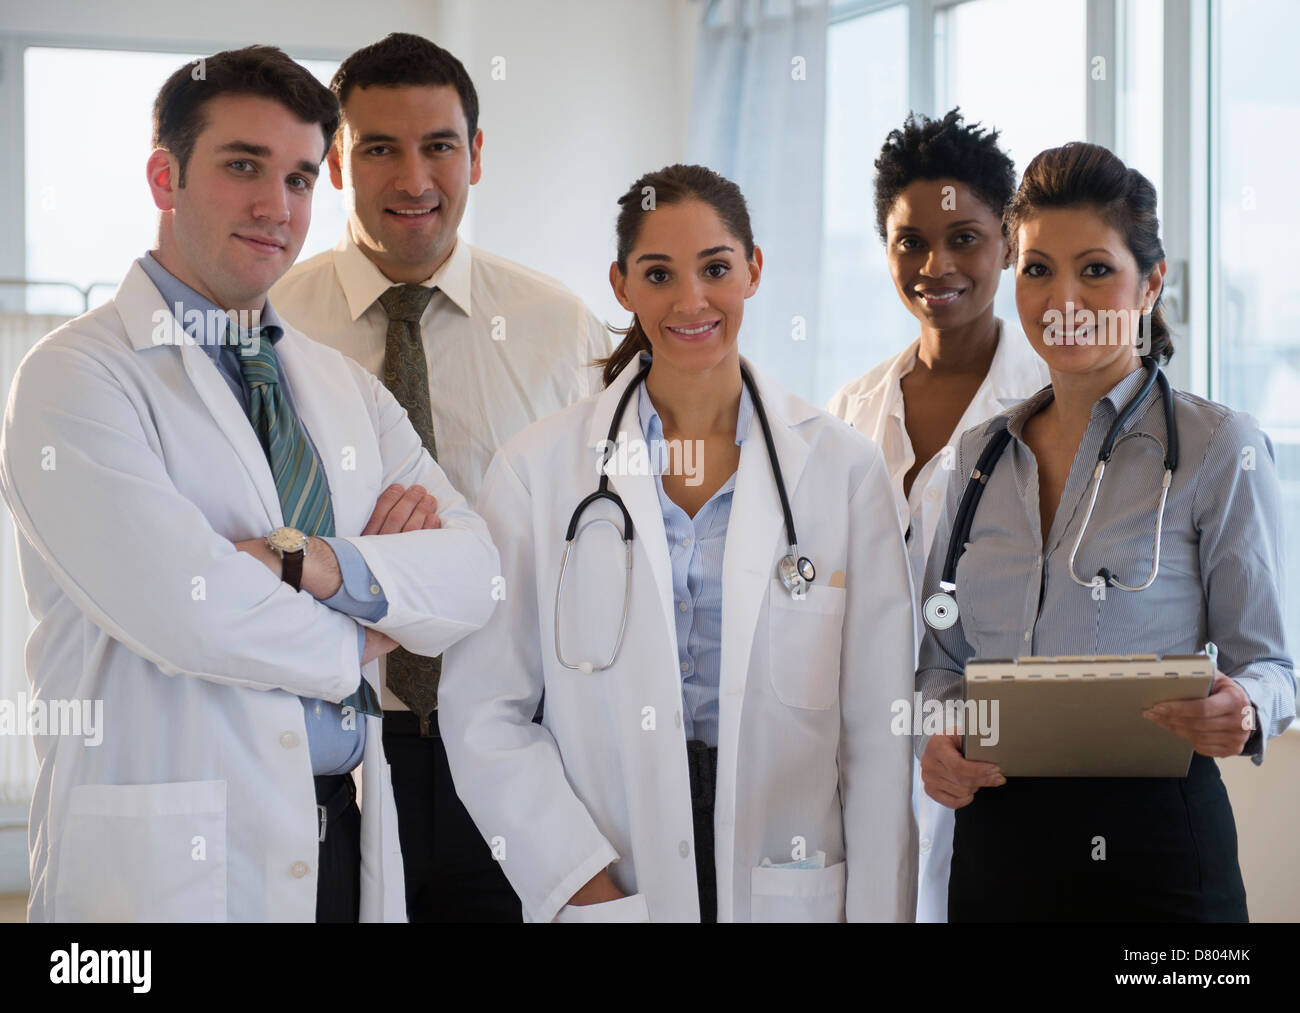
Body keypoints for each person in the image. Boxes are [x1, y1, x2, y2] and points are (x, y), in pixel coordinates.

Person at [0, 46, 499, 922]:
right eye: (243, 167)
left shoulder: (339, 385)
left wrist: (305, 564)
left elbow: (473, 573)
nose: (278, 207)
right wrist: (374, 625)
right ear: (165, 176)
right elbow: (191, 607)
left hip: (343, 836)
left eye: (302, 179)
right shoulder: (74, 378)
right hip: (172, 865)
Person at [439, 164, 917, 923]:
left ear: (753, 271)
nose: (691, 300)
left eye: (716, 268)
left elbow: (879, 736)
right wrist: (575, 880)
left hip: (789, 879)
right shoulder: (538, 470)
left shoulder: (842, 471)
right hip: (612, 868)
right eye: (658, 273)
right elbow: (482, 709)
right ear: (621, 286)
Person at [271, 33, 609, 923]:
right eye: (378, 147)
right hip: (331, 745)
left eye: (439, 146)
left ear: (477, 155)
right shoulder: (273, 328)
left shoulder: (558, 328)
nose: (413, 178)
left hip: (509, 749)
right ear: (337, 164)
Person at [916, 142, 1295, 921]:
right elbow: (942, 661)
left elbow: (1274, 666)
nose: (1064, 297)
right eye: (1037, 269)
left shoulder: (1219, 447)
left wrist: (1247, 706)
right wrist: (941, 738)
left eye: (1095, 269)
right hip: (997, 848)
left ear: (1150, 282)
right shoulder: (978, 457)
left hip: (1156, 849)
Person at [827, 109, 1049, 923]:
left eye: (964, 238)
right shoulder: (851, 409)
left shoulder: (1047, 405)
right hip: (864, 749)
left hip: (991, 757)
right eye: (910, 240)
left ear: (1007, 242)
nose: (935, 264)